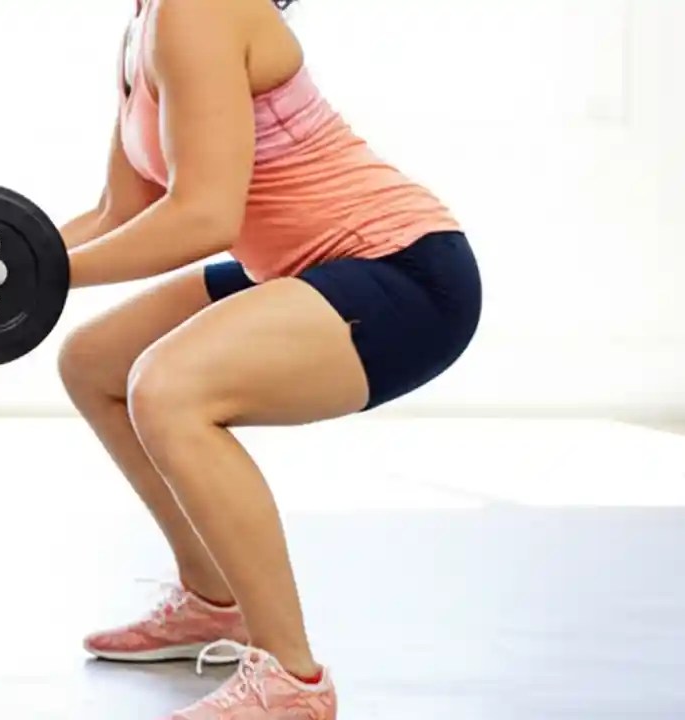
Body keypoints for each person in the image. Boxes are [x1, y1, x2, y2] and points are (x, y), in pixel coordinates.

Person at [56, 0, 481, 716]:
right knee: (94, 361)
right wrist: (10, 263)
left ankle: (293, 682)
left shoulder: (198, 10)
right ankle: (211, 600)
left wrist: (44, 279)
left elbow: (204, 217)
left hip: (402, 271)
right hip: (300, 270)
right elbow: (116, 215)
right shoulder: (142, 26)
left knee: (169, 390)